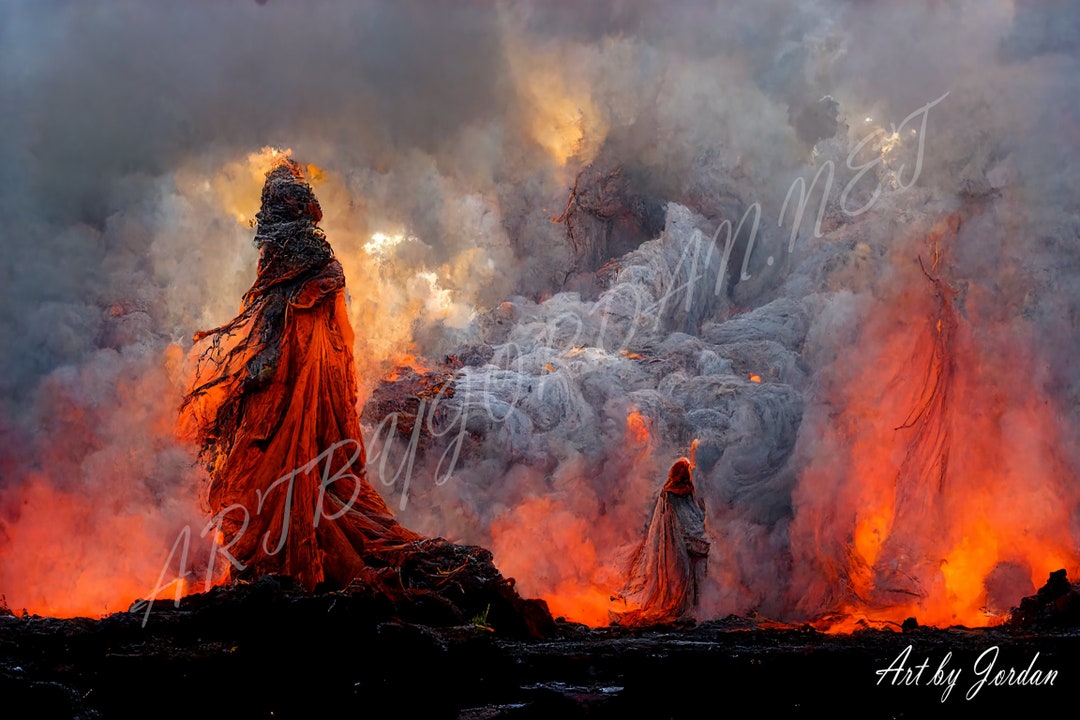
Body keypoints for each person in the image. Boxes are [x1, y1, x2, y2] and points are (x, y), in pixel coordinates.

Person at [178, 157, 418, 591]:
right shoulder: (321, 263)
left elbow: (279, 327)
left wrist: (257, 375)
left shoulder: (286, 261)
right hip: (318, 372)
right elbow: (335, 330)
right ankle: (293, 555)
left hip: (302, 376)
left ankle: (289, 560)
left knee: (291, 465)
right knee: (311, 468)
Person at [614, 440, 709, 626]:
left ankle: (694, 606)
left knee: (685, 577)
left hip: (675, 546)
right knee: (682, 579)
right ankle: (690, 607)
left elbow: (691, 519)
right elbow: (688, 521)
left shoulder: (671, 493)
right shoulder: (672, 495)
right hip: (674, 547)